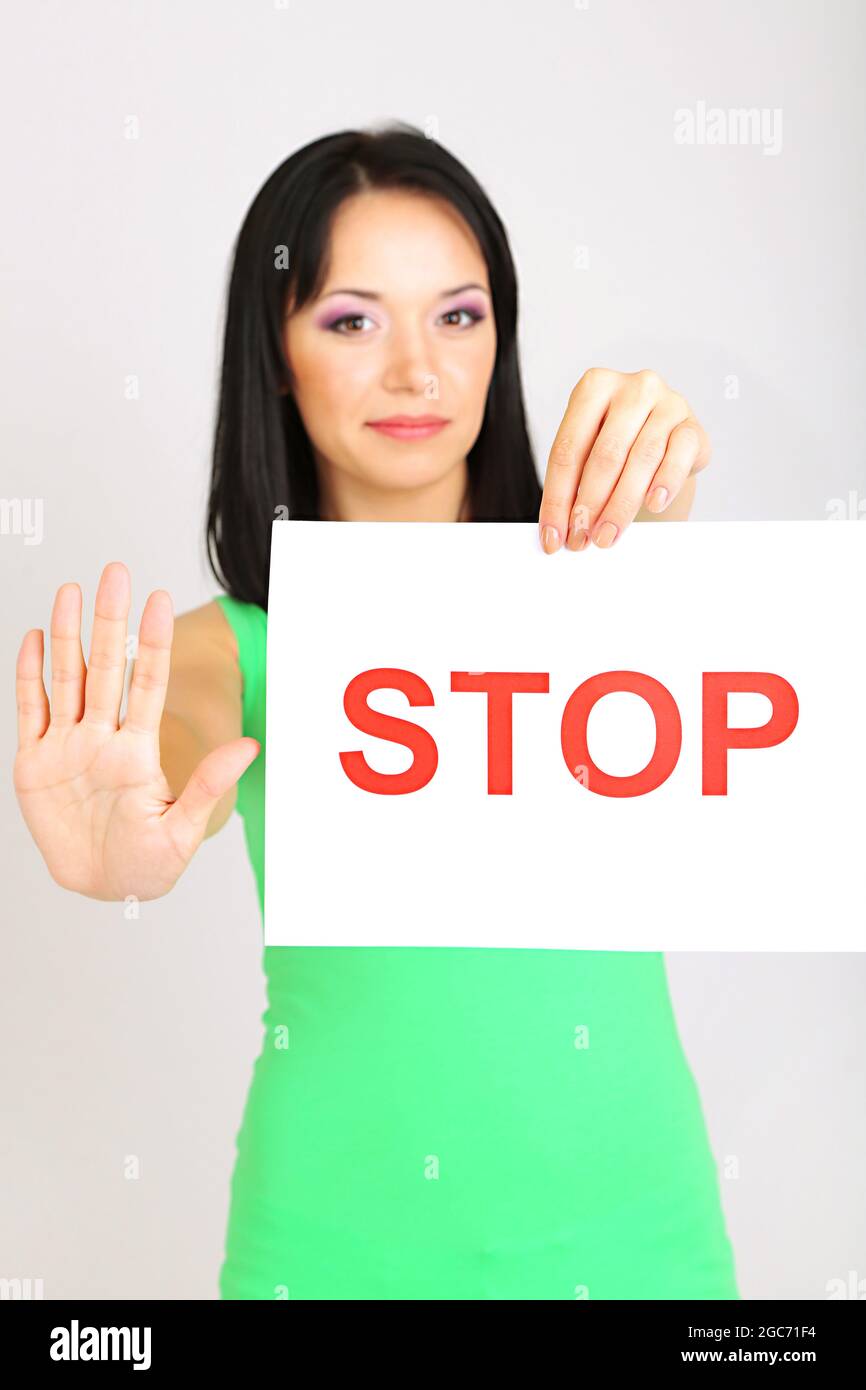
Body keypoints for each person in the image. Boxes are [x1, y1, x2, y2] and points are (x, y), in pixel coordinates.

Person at [14, 122, 735, 1299]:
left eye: (458, 314)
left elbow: (678, 542)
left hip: (640, 1254)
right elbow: (175, 736)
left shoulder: (607, 584)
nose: (418, 370)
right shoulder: (228, 649)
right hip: (334, 1258)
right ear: (278, 353)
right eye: (352, 319)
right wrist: (127, 827)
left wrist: (663, 454)